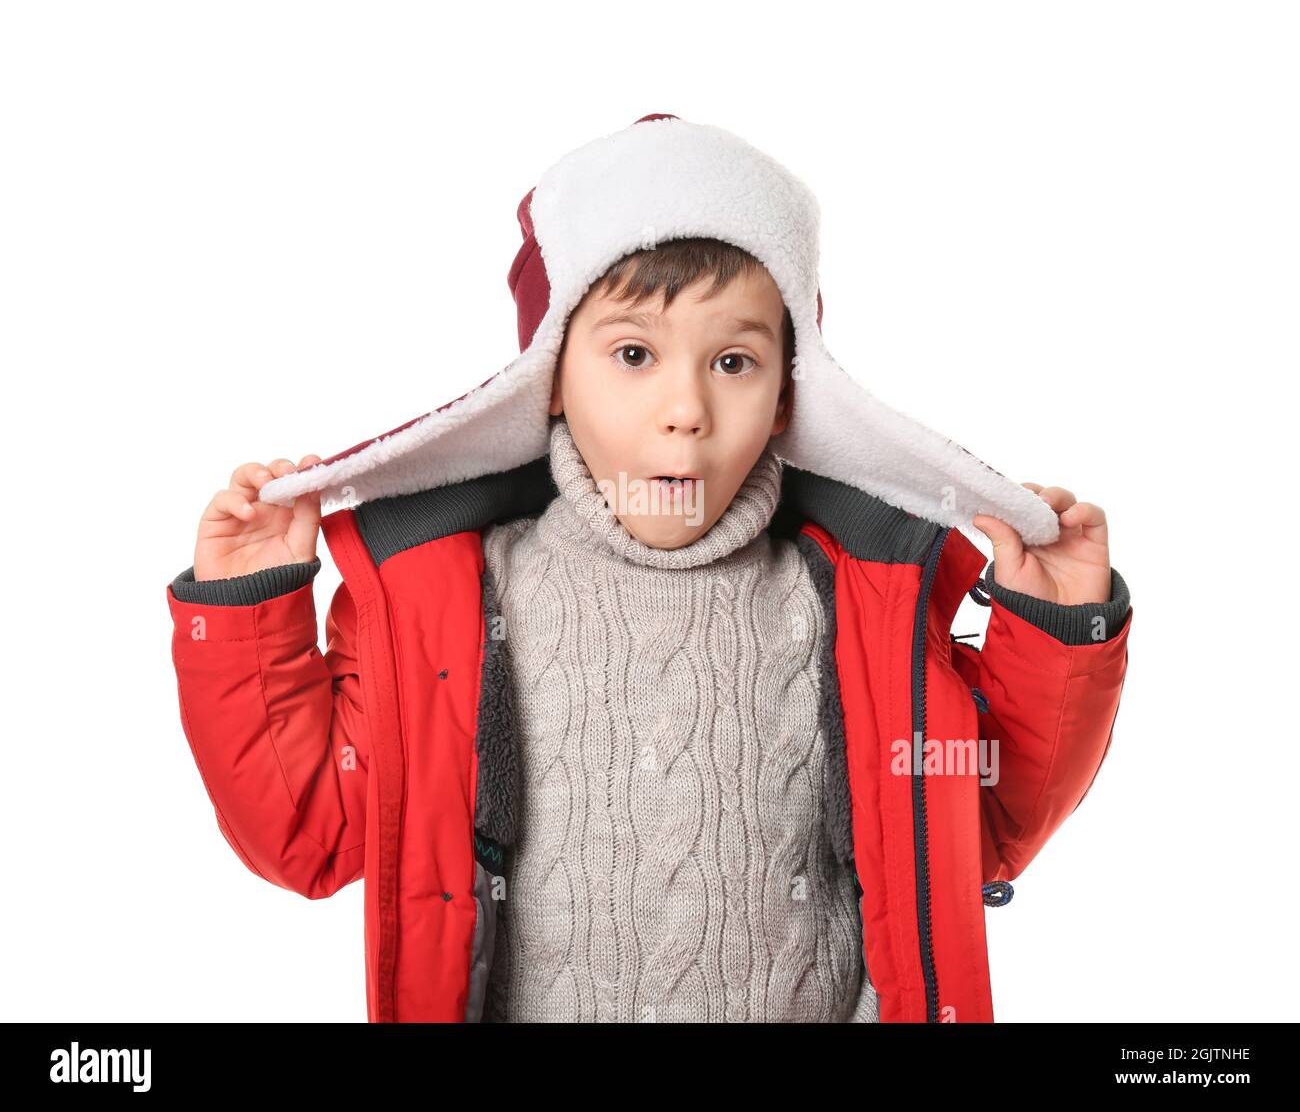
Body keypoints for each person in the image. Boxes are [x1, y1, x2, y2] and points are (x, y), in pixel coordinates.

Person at [166, 113, 1132, 1022]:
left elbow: (980, 830)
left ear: (790, 397)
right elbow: (306, 836)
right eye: (634, 353)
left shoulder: (855, 604)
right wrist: (252, 608)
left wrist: (1053, 635)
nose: (685, 410)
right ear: (547, 382)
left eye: (733, 362)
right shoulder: (454, 602)